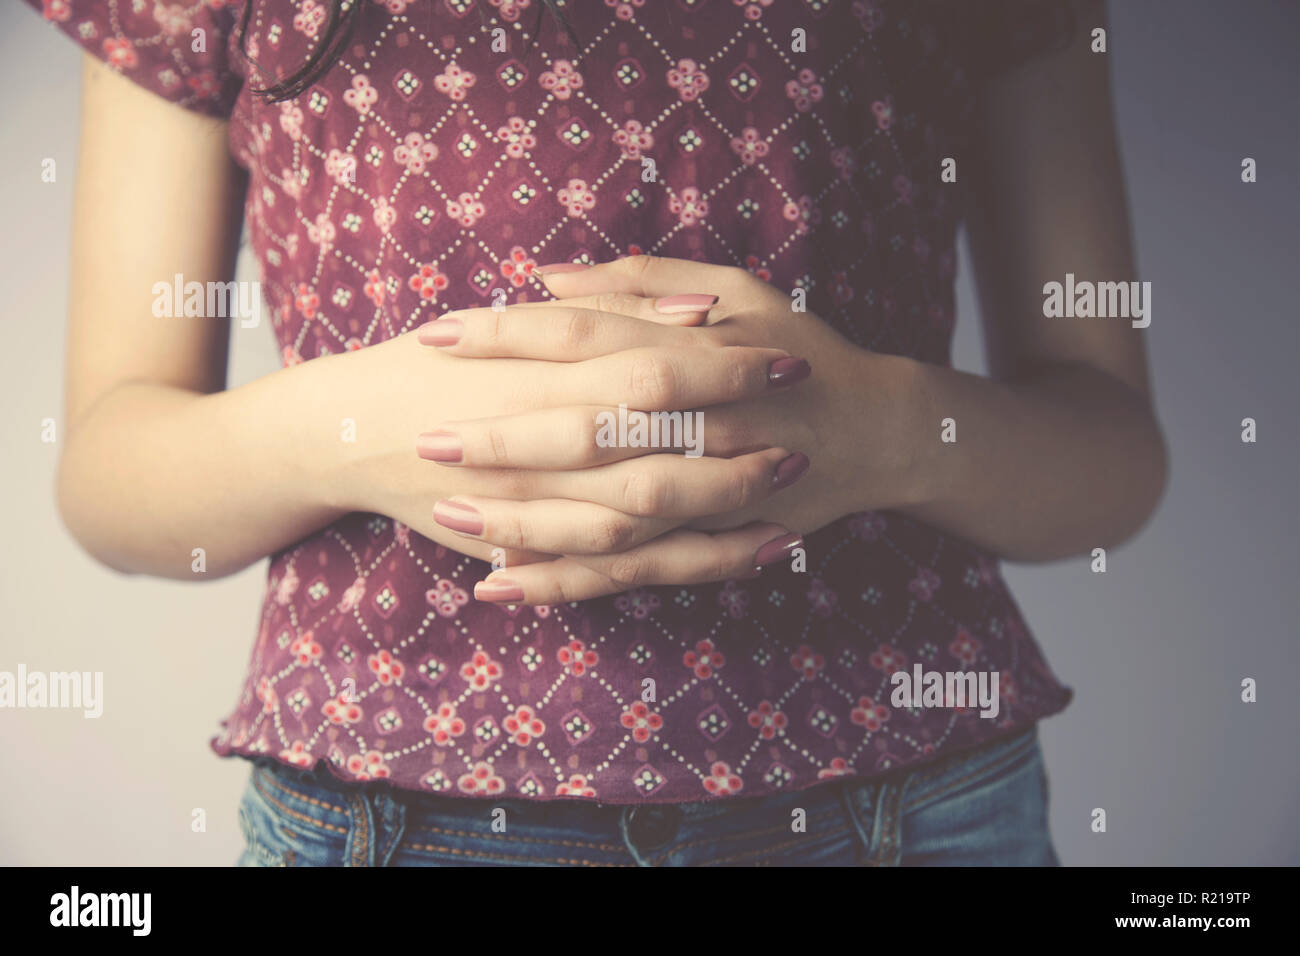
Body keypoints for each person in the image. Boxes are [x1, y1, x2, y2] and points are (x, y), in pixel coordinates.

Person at [29, 0, 1165, 866]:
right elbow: (112, 471)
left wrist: (886, 430)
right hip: (385, 800)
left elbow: (1110, 455)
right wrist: (352, 428)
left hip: (910, 800)